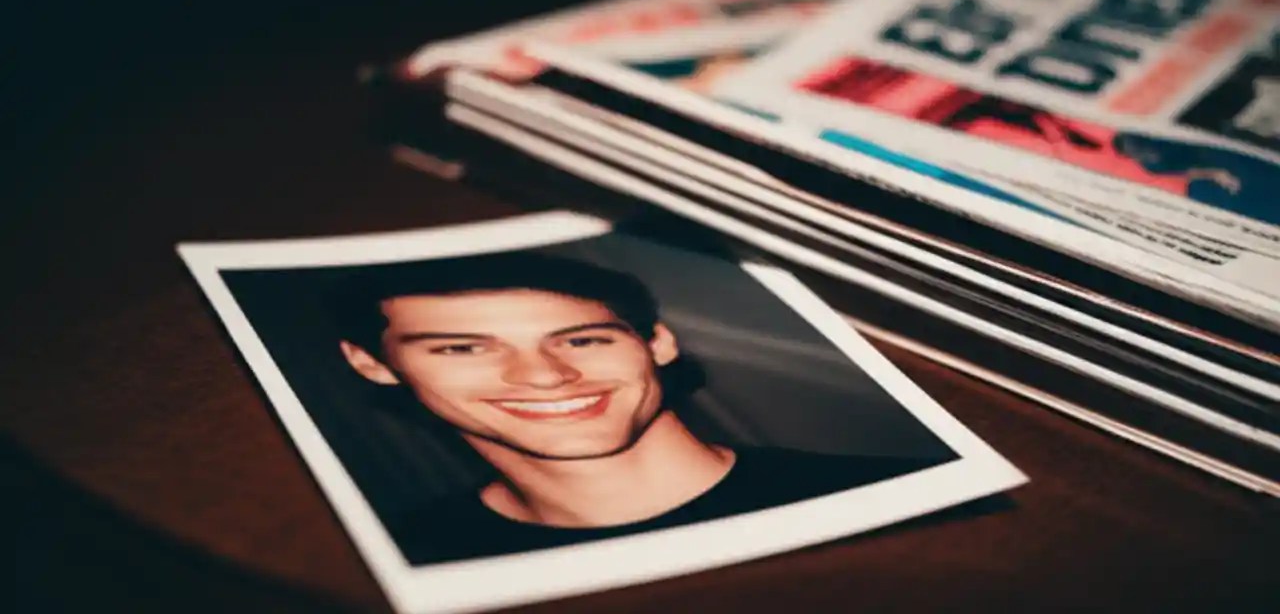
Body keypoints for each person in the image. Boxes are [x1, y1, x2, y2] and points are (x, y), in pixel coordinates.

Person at [330, 250, 945, 564]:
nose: (546, 376)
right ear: (371, 364)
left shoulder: (905, 503)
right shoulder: (398, 560)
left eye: (582, 340)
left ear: (659, 345)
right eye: (464, 348)